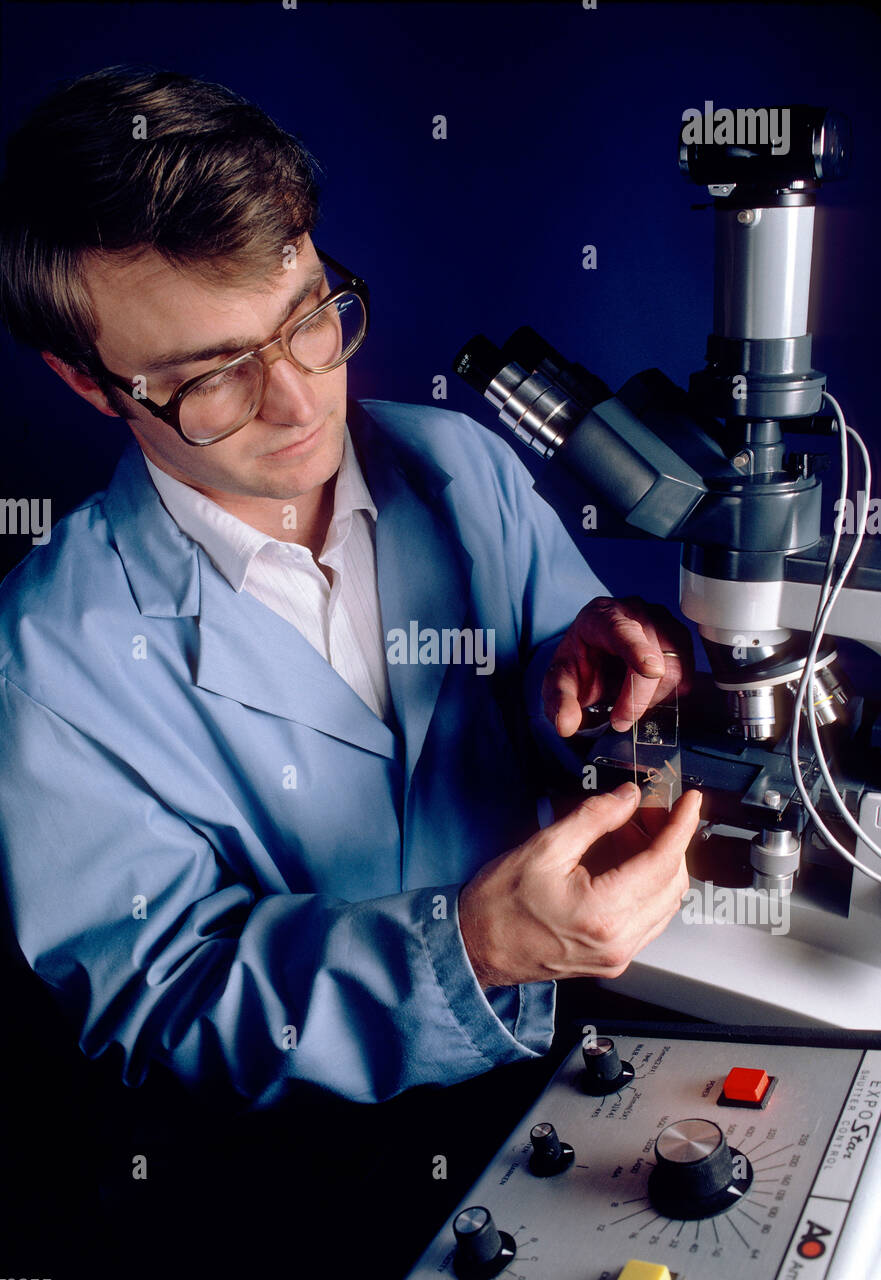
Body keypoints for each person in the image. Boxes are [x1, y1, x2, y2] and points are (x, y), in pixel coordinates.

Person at [0, 65, 701, 1112]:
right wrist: (463, 953)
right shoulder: (46, 658)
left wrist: (587, 676)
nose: (298, 401)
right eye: (212, 373)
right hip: (290, 1183)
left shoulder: (458, 462)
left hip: (570, 1069)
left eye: (308, 315)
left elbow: (572, 704)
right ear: (89, 382)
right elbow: (162, 999)